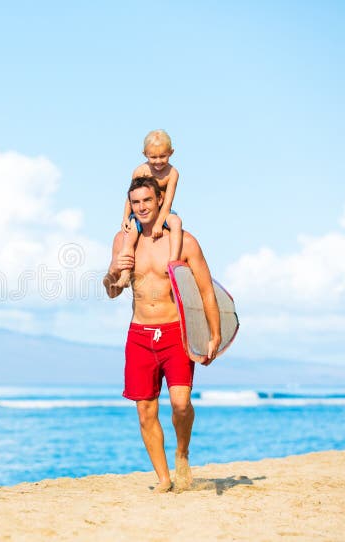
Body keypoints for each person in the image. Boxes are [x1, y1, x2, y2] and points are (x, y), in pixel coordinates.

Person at [103, 175, 220, 493]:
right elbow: (113, 291)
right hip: (140, 334)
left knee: (181, 405)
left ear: (159, 201)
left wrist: (215, 334)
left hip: (175, 334)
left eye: (146, 201)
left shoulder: (184, 242)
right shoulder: (123, 241)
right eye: (135, 202)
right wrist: (113, 272)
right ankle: (164, 478)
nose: (141, 207)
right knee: (145, 411)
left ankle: (182, 453)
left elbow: (207, 291)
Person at [112, 129, 183, 288]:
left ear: (171, 152)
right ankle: (125, 274)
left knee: (177, 222)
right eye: (153, 157)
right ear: (145, 154)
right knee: (129, 238)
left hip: (163, 211)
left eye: (163, 156)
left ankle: (173, 265)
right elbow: (131, 197)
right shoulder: (140, 171)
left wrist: (159, 223)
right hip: (141, 214)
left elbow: (168, 202)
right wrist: (125, 218)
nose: (158, 161)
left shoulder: (173, 173)